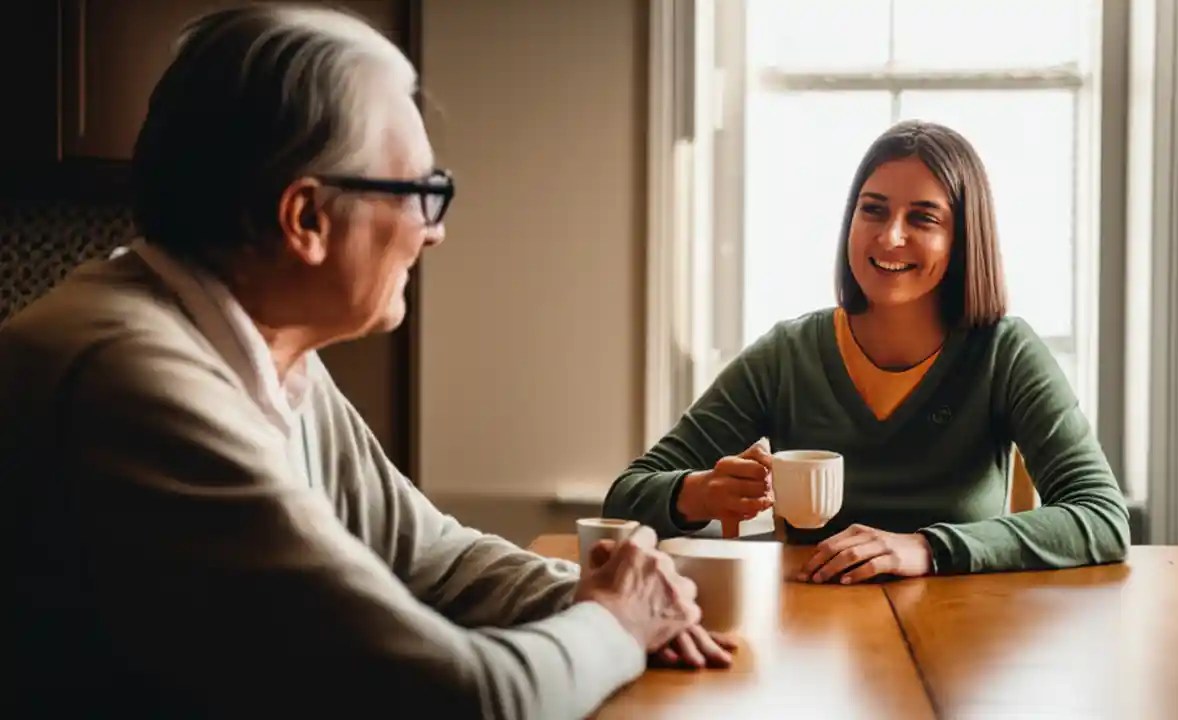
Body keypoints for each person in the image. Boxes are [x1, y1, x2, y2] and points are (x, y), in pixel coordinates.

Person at [3, 6, 731, 717]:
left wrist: (607, 592)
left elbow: (431, 556)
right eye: (421, 193)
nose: (433, 232)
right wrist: (614, 622)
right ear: (307, 219)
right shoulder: (132, 381)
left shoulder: (261, 343)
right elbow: (465, 698)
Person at [603, 120, 1130, 584]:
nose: (890, 236)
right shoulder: (787, 354)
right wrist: (698, 493)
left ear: (963, 239)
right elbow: (625, 498)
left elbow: (1103, 518)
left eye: (923, 218)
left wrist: (926, 547)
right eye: (872, 210)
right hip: (815, 641)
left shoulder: (1005, 353)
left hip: (967, 641)